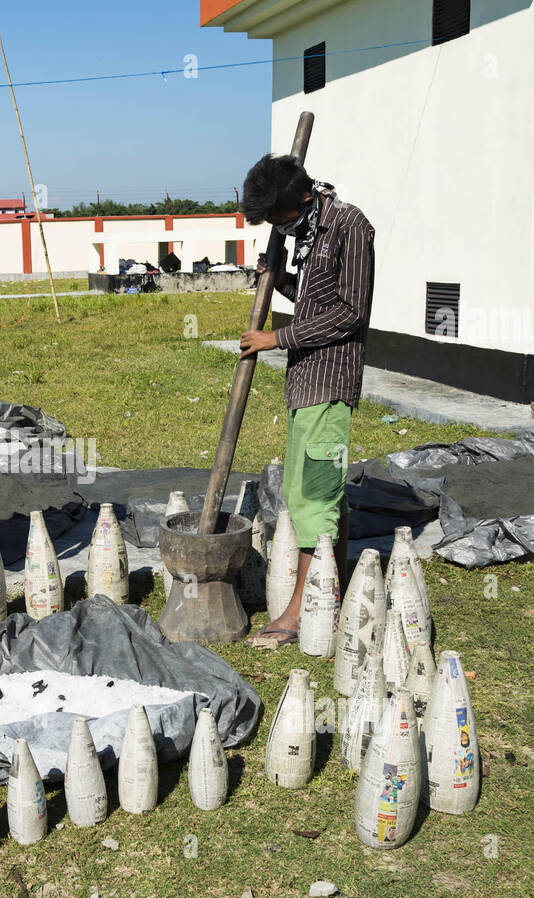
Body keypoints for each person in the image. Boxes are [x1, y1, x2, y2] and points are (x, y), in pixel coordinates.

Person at [237, 154, 375, 648]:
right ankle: (327, 599)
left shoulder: (349, 225)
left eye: (279, 219)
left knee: (316, 499)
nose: (281, 229)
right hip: (304, 384)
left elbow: (350, 312)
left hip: (331, 385)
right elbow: (317, 301)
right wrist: (278, 280)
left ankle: (298, 613)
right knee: (308, 498)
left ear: (301, 197)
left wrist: (276, 339)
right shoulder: (310, 231)